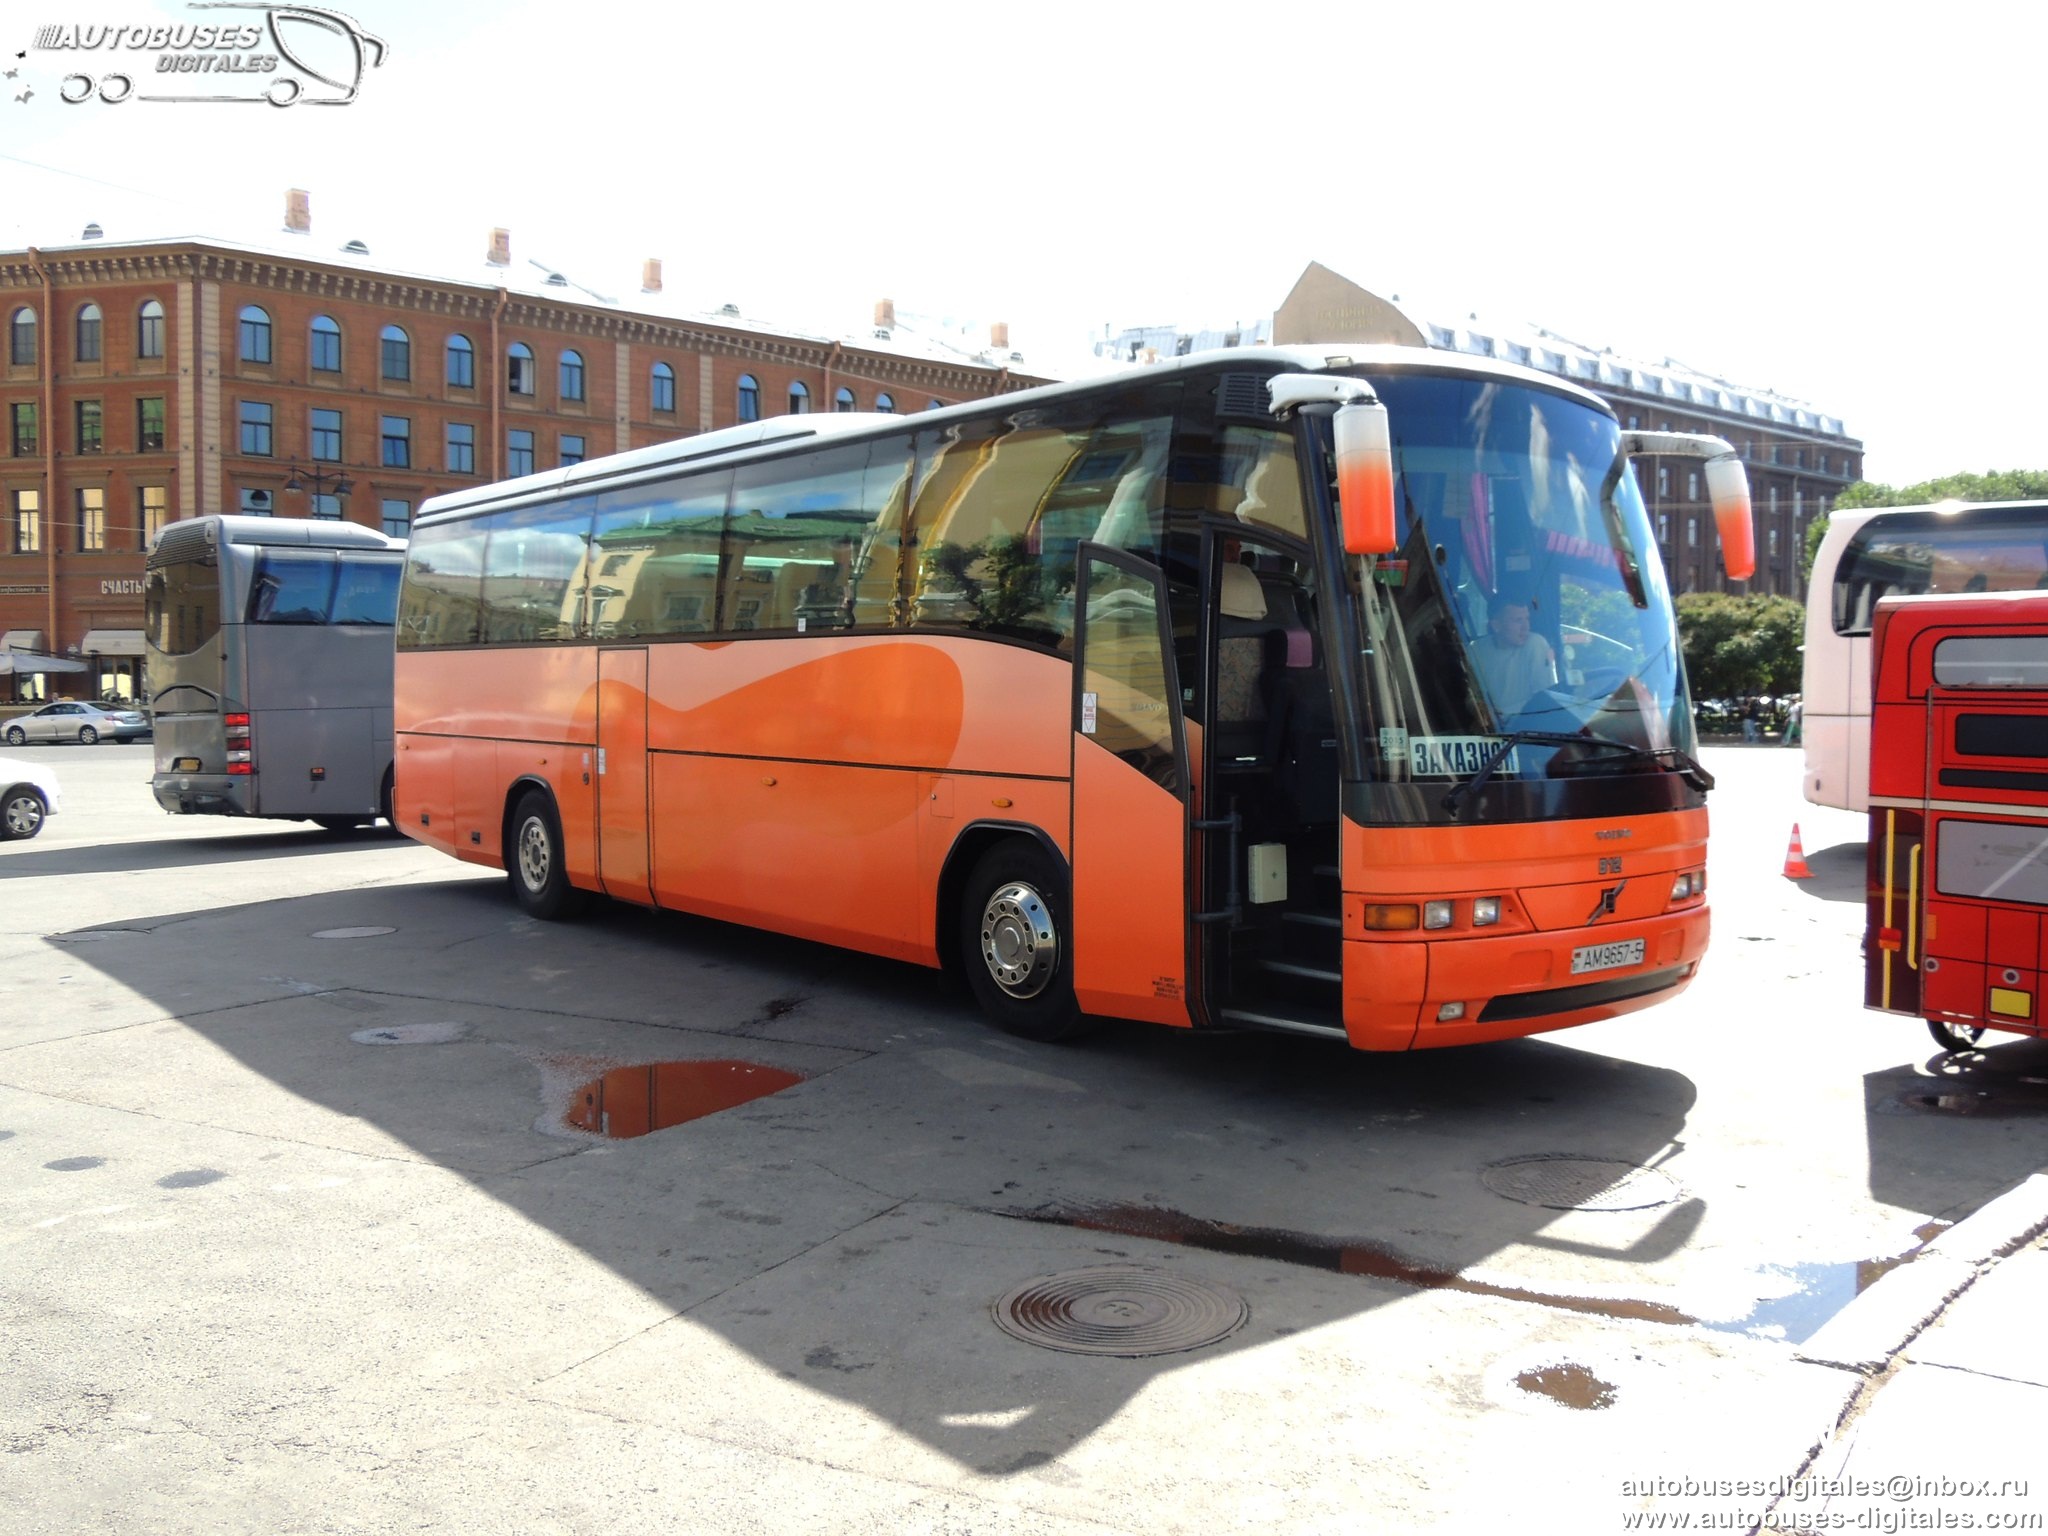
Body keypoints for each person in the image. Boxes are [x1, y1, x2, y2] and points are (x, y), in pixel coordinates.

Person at [1471, 595, 1558, 713]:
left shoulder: (1535, 644)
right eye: (1518, 620)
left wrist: (1501, 714)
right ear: (1496, 625)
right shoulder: (1476, 649)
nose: (1526, 627)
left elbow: (1544, 700)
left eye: (1527, 619)